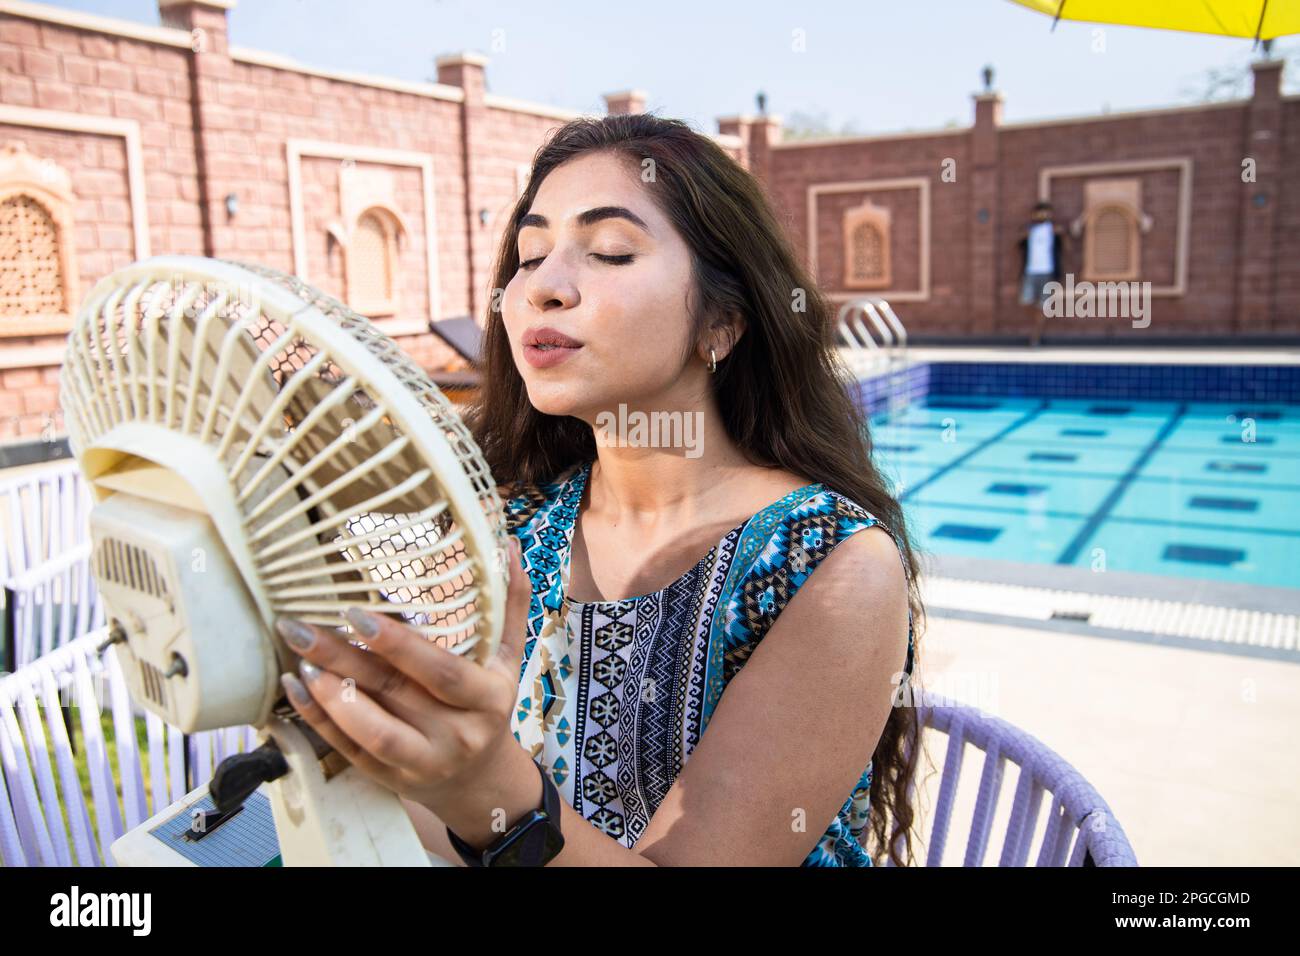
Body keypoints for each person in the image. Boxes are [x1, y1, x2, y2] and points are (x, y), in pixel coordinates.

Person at [275, 113, 925, 867]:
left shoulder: (829, 566)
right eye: (529, 254)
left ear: (723, 319)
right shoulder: (513, 524)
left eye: (611, 251)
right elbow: (420, 810)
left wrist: (487, 789)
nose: (543, 288)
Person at [1018, 199, 1065, 347]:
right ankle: (1033, 326)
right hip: (1030, 271)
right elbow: (1017, 245)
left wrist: (1061, 234)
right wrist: (1025, 235)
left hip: (1047, 272)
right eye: (1040, 211)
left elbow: (1066, 247)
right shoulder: (1030, 229)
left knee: (1043, 305)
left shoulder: (1054, 229)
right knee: (1026, 301)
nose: (1043, 214)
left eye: (1046, 211)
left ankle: (1035, 335)